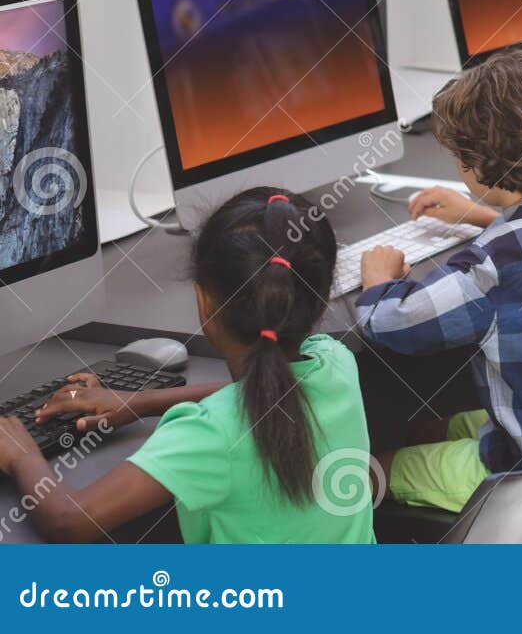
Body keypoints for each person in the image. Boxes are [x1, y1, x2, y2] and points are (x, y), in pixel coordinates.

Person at [0, 188, 374, 543]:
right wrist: (140, 401)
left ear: (203, 301)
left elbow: (69, 522)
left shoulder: (208, 435)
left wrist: (23, 454)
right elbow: (272, 390)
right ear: (322, 302)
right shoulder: (337, 361)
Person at [358, 49, 522, 514]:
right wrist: (486, 216)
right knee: (426, 430)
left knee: (367, 468)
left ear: (478, 165)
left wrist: (377, 281)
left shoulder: (493, 266)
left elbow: (394, 324)